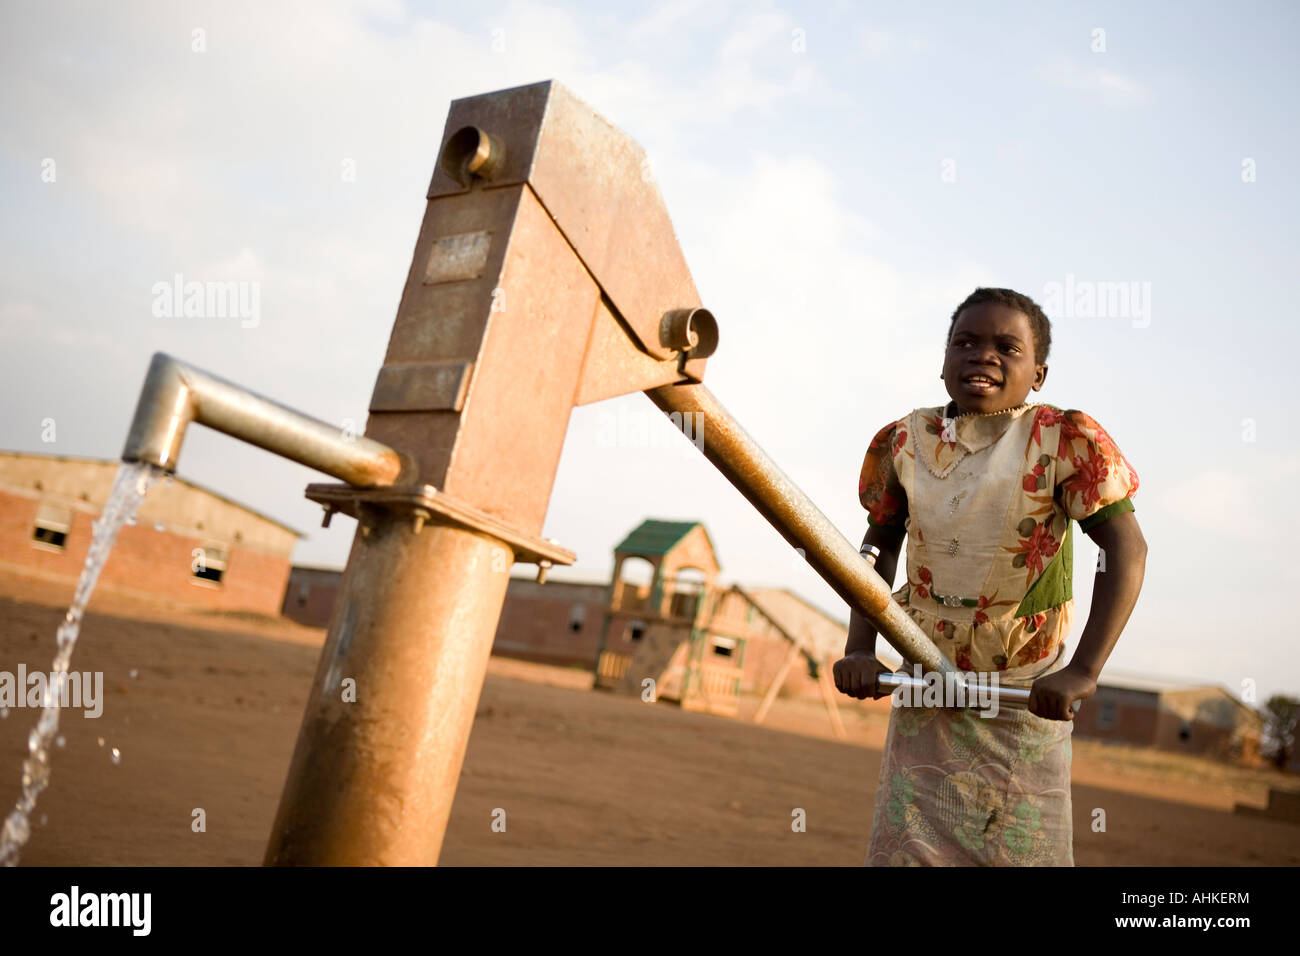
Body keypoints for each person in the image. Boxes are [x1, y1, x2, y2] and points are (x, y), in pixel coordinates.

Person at [833, 287, 1147, 866]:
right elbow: (876, 546)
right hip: (924, 682)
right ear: (944, 360)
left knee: (1019, 852)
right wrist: (859, 646)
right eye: (967, 342)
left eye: (1008, 347)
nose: (984, 355)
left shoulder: (1062, 439)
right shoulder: (904, 441)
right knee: (911, 851)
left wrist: (1082, 670)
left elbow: (1126, 551)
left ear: (1039, 373)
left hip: (1024, 695)